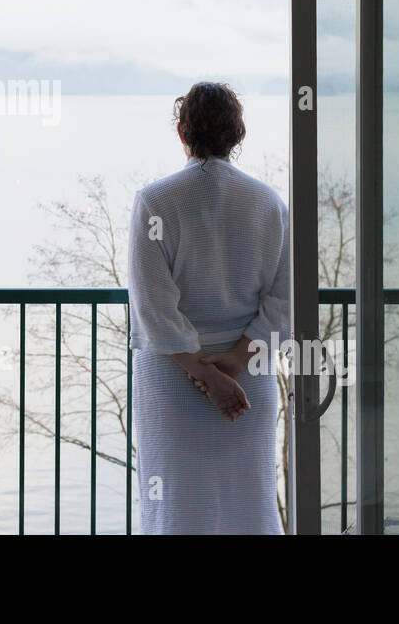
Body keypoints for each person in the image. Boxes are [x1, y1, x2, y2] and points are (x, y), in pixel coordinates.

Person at [128, 81, 291, 534]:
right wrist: (235, 361)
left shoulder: (156, 201)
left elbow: (153, 305)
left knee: (178, 511)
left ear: (182, 132)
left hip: (173, 382)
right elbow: (285, 299)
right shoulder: (269, 203)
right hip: (248, 379)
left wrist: (205, 374)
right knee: (248, 506)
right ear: (238, 134)